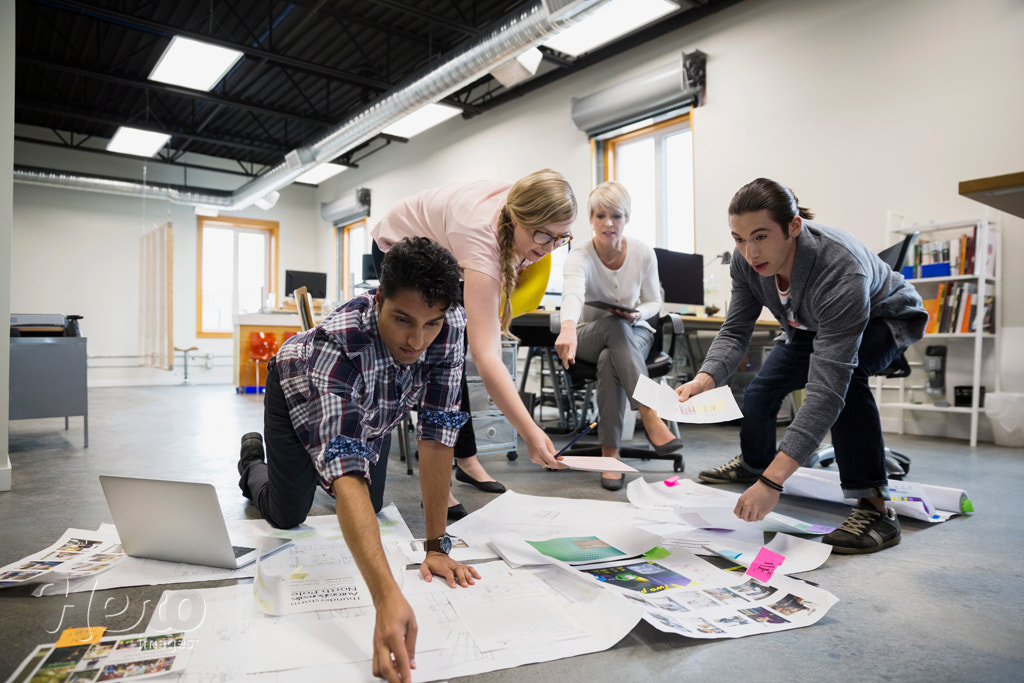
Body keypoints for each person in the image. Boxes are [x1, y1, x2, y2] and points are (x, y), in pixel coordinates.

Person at [237, 237, 481, 683]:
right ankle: (253, 460)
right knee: (288, 513)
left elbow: (438, 433)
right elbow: (348, 472)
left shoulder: (449, 325)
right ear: (379, 299)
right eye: (403, 320)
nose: (417, 340)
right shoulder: (339, 342)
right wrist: (386, 598)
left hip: (373, 414)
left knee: (372, 507)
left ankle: (314, 464)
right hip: (295, 393)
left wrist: (435, 547)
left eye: (430, 324)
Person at [676, 178, 927, 554]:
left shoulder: (840, 269)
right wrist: (704, 378)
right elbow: (736, 330)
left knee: (848, 381)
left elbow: (827, 390)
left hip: (884, 319)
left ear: (793, 226)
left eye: (761, 237)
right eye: (739, 239)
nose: (749, 252)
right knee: (760, 390)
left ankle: (876, 508)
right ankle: (754, 464)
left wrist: (774, 483)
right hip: (809, 326)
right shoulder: (746, 263)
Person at [371, 169, 577, 513]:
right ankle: (437, 482)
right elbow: (487, 356)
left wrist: (537, 244)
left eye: (561, 238)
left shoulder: (523, 216)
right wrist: (529, 430)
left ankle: (466, 459)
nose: (549, 248)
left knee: (455, 352)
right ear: (518, 218)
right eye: (542, 235)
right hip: (398, 242)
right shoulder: (480, 236)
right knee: (434, 356)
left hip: (448, 247)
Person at [553, 182, 683, 491]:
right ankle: (649, 412)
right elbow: (573, 293)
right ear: (591, 218)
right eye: (600, 216)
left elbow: (655, 302)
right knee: (612, 326)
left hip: (636, 332)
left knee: (610, 355)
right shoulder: (579, 255)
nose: (608, 223)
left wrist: (637, 314)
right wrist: (568, 326)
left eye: (616, 216)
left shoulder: (643, 253)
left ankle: (610, 454)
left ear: (627, 218)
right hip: (589, 334)